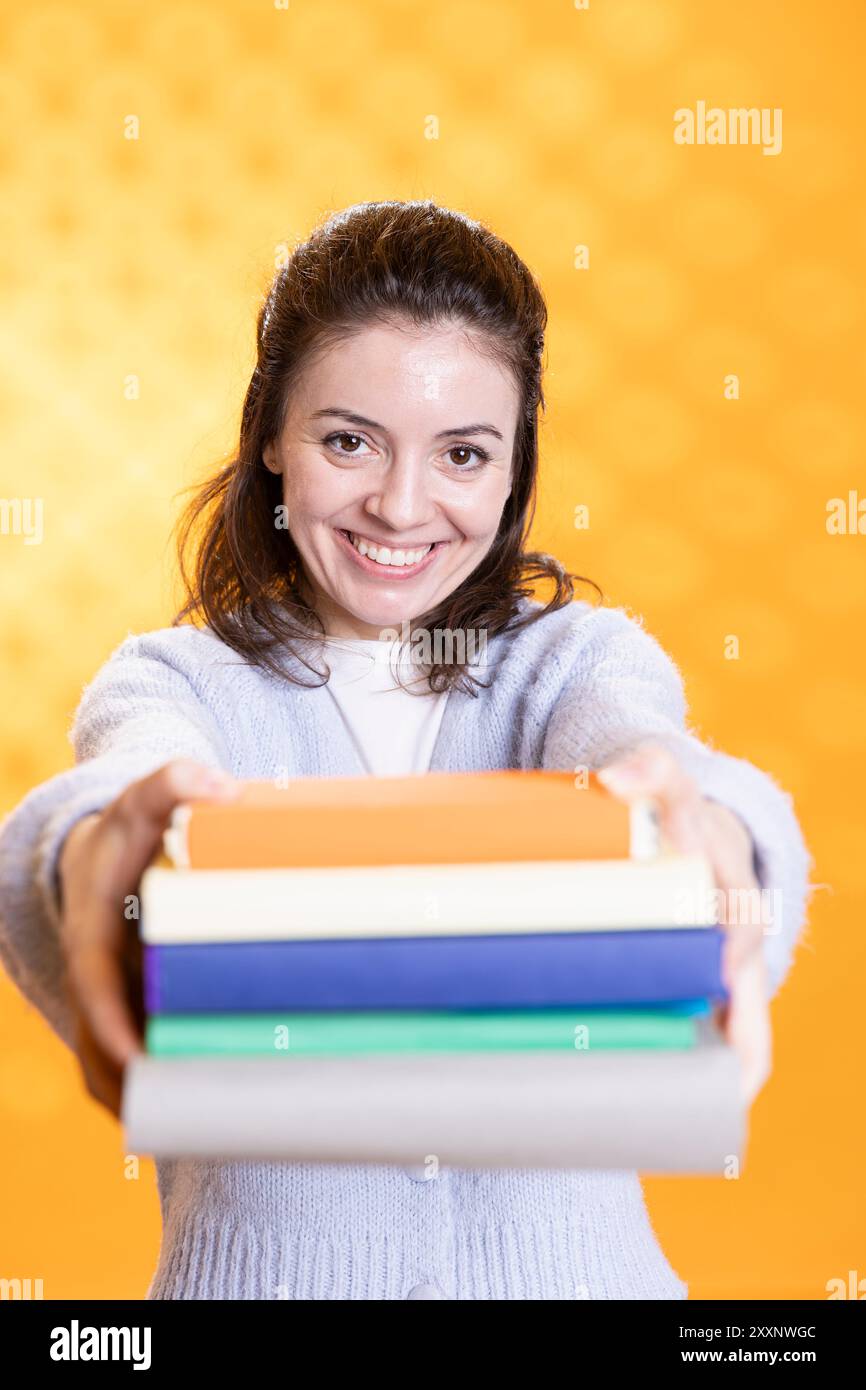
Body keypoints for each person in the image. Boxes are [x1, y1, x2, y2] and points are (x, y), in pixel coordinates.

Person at [0, 199, 812, 1300]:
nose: (398, 505)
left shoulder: (569, 665)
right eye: (347, 440)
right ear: (273, 443)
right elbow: (108, 798)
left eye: (462, 454)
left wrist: (706, 824)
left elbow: (650, 749)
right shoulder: (181, 683)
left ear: (513, 469)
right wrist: (91, 846)